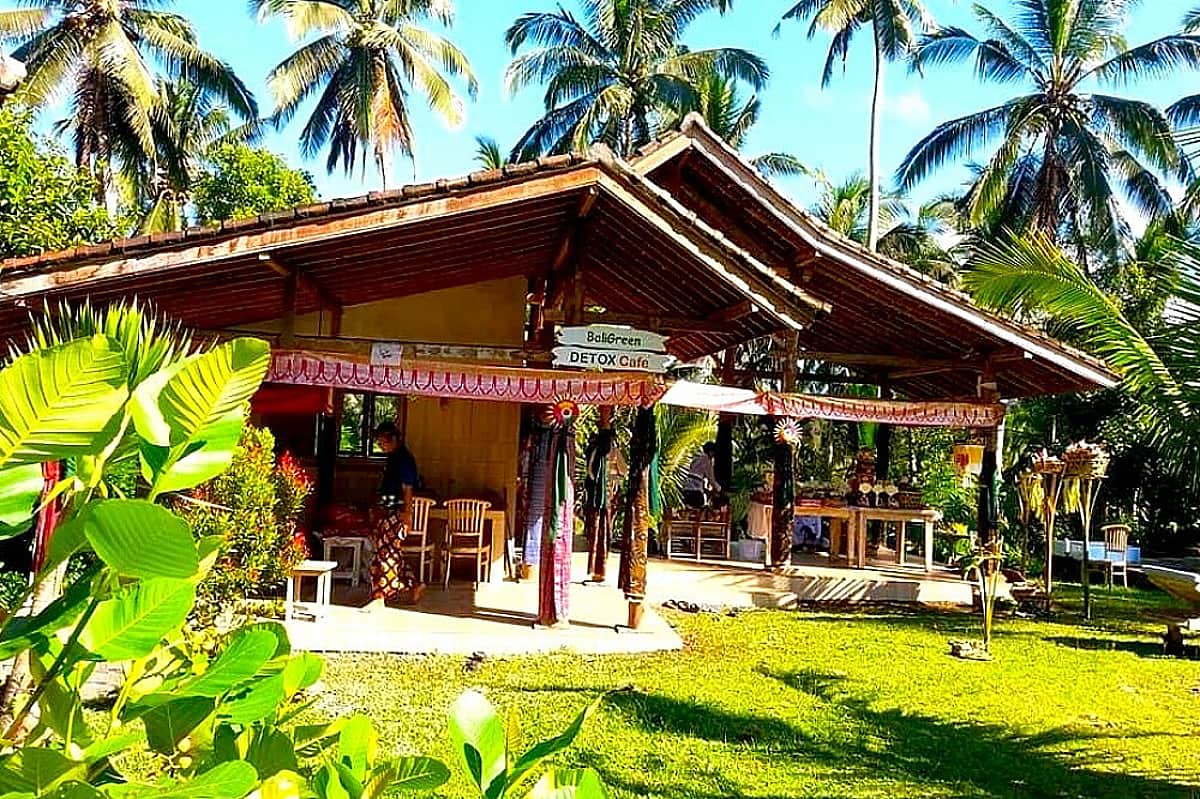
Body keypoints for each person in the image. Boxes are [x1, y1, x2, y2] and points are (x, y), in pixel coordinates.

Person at [368, 421, 423, 603]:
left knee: (387, 552)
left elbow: (407, 488)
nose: (380, 446)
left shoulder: (404, 459)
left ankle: (383, 593)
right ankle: (412, 584)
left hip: (396, 512)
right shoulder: (393, 457)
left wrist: (407, 514)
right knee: (388, 551)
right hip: (386, 510)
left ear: (392, 439)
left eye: (382, 442)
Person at [682, 441, 721, 509]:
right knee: (700, 509)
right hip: (695, 490)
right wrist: (719, 489)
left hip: (687, 487)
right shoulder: (706, 460)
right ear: (711, 452)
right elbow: (710, 477)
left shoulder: (696, 458)